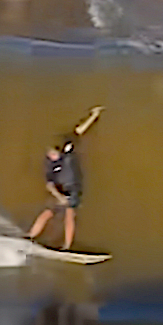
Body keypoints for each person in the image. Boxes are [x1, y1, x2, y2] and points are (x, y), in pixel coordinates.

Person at [27, 106, 102, 251]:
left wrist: (94, 116)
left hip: (74, 188)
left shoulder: (68, 150)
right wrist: (59, 196)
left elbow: (78, 131)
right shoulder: (49, 164)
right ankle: (30, 236)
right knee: (48, 213)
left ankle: (67, 246)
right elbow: (49, 185)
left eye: (53, 153)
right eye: (49, 154)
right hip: (59, 190)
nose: (51, 156)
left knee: (69, 216)